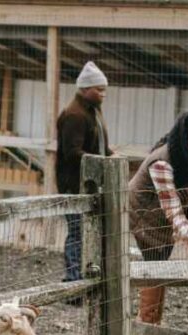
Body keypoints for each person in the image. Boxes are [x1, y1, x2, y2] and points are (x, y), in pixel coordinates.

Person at [128, 110, 188, 335]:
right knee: (155, 270)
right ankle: (146, 333)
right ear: (184, 136)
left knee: (160, 270)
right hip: (145, 217)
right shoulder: (162, 162)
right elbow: (173, 208)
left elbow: (186, 191)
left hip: (161, 220)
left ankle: (153, 326)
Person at [56, 61, 110, 282]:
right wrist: (101, 161)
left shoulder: (92, 112)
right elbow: (72, 152)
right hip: (74, 184)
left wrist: (110, 155)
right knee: (77, 231)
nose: (103, 94)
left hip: (87, 183)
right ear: (86, 90)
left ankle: (82, 275)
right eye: (99, 90)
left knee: (86, 231)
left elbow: (97, 145)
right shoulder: (75, 115)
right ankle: (72, 279)